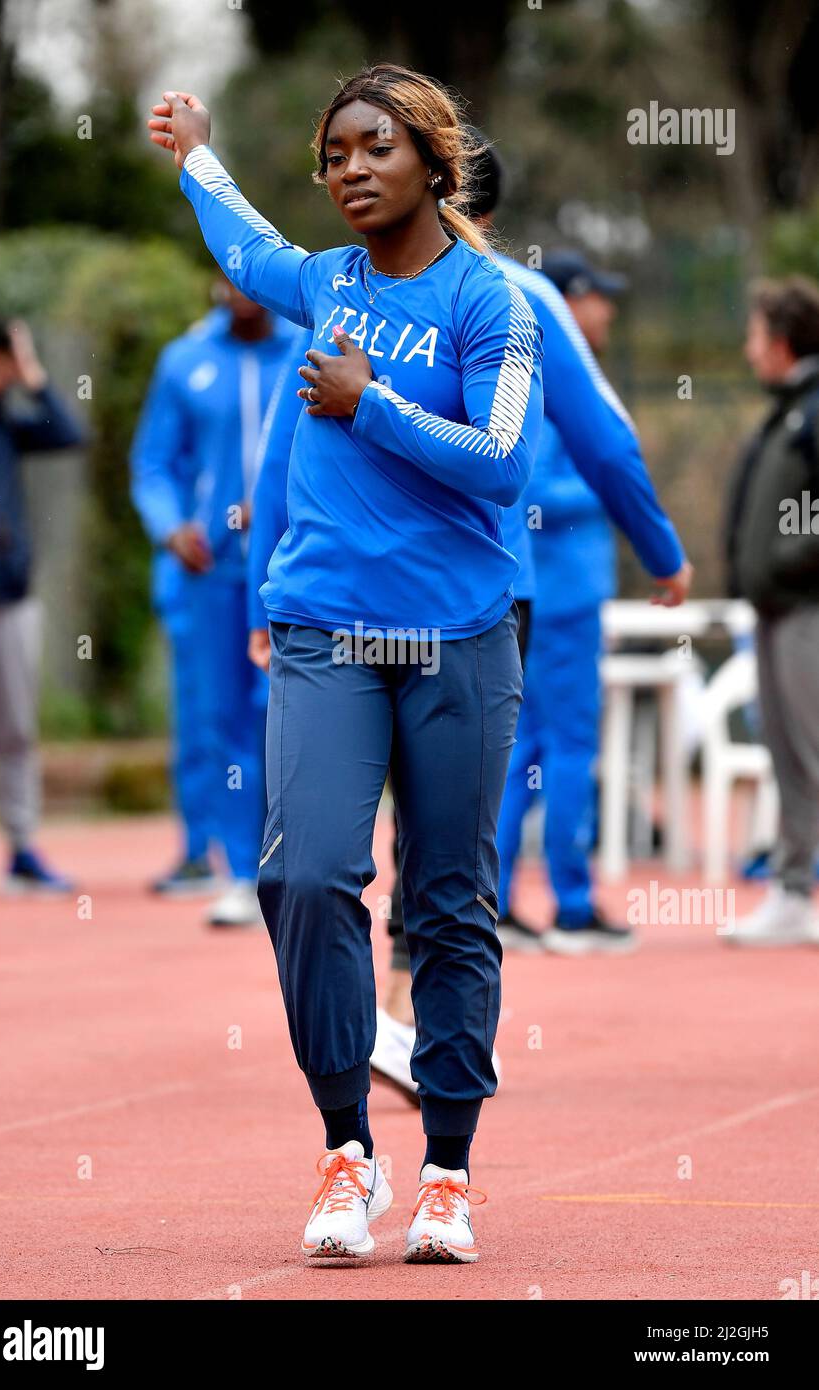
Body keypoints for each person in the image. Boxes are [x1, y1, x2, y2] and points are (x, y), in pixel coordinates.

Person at [149, 64, 544, 1265]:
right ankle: (345, 1150)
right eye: (332, 156)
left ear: (432, 158)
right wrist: (197, 157)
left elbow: (501, 460)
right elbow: (250, 240)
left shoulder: (494, 305)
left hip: (457, 638)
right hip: (324, 631)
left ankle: (446, 1174)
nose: (349, 170)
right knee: (305, 877)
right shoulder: (323, 284)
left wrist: (369, 402)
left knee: (447, 904)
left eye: (374, 147)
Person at [368, 144, 692, 1097]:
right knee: (520, 759)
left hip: (391, 582)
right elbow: (608, 440)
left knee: (419, 786)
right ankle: (536, 932)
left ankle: (396, 1002)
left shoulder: (365, 290)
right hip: (513, 573)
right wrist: (664, 550)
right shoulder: (524, 298)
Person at [131, 281, 296, 925]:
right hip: (211, 572)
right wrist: (171, 526)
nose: (238, 290)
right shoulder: (185, 359)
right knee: (219, 718)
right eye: (225, 276)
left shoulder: (309, 344)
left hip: (290, 567)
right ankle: (240, 870)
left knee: (284, 720)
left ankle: (297, 866)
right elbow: (152, 464)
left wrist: (282, 502)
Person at [497, 250, 630, 957]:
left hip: (543, 589)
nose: (606, 311)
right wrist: (617, 489)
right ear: (569, 303)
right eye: (598, 298)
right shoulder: (551, 375)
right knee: (568, 747)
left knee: (527, 750)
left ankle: (504, 901)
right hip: (563, 593)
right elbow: (535, 484)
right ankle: (572, 906)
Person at [0, 317, 83, 891]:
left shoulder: (9, 423)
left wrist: (32, 375)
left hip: (8, 596)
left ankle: (22, 847)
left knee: (16, 729)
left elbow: (69, 433)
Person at [723, 275, 819, 946]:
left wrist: (789, 558)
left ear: (783, 342)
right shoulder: (789, 407)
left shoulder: (814, 409)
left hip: (808, 608)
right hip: (777, 609)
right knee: (787, 756)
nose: (749, 349)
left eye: (757, 335)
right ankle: (790, 891)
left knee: (812, 754)